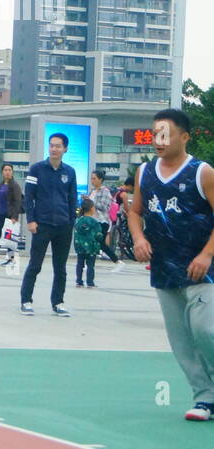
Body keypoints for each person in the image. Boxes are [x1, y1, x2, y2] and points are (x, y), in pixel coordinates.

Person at [127, 108, 214, 421]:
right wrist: (139, 239)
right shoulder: (145, 173)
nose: (158, 141)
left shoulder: (202, 172)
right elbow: (135, 211)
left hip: (203, 269)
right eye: (155, 134)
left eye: (165, 134)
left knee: (205, 330)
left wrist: (206, 255)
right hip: (165, 268)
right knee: (181, 341)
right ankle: (205, 399)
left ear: (185, 136)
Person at [20, 132, 78, 316]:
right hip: (42, 224)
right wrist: (31, 220)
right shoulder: (36, 169)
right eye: (52, 145)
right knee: (35, 265)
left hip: (63, 226)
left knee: (60, 268)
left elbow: (72, 199)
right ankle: (26, 300)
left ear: (65, 149)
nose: (54, 149)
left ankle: (58, 302)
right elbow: (28, 197)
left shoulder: (69, 172)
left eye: (58, 146)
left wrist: (71, 222)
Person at [88, 170, 121, 269]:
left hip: (102, 221)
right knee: (94, 242)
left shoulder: (105, 191)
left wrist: (91, 201)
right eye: (91, 178)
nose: (92, 181)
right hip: (92, 220)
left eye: (94, 178)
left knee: (100, 243)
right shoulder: (93, 191)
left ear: (100, 179)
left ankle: (117, 261)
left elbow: (104, 207)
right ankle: (89, 263)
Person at [0, 163, 23, 265]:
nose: (7, 172)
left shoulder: (15, 185)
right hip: (0, 214)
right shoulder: (0, 185)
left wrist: (14, 216)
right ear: (2, 172)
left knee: (9, 238)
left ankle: (11, 259)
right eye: (5, 170)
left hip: (10, 216)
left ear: (12, 172)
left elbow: (17, 202)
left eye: (9, 170)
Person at [74, 197, 103, 288]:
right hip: (91, 247)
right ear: (91, 209)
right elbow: (99, 235)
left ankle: (79, 281)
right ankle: (90, 282)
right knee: (90, 265)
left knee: (80, 263)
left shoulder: (78, 221)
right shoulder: (94, 222)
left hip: (79, 246)